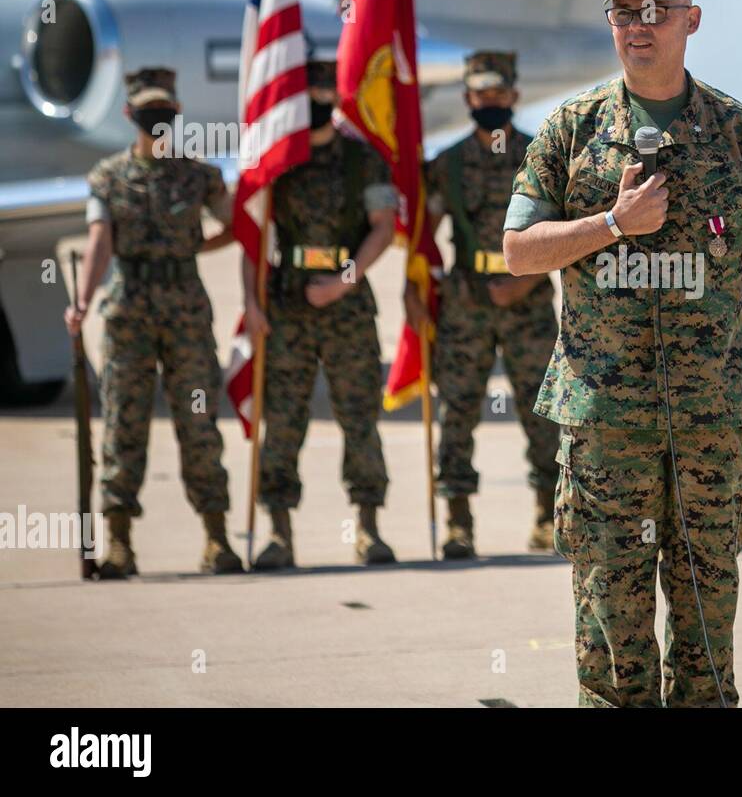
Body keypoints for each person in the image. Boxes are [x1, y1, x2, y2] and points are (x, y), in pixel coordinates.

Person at [503, 0, 742, 706]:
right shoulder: (572, 131)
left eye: (656, 11)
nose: (638, 26)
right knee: (613, 628)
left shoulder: (739, 135)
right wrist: (611, 223)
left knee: (707, 625)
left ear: (692, 20)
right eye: (623, 12)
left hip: (709, 418)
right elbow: (518, 252)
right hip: (606, 425)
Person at [65, 66, 242, 577]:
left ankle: (216, 538)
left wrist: (193, 247)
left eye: (165, 110)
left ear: (178, 113)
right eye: (148, 111)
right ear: (129, 114)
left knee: (199, 422)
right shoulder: (108, 177)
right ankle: (119, 541)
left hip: (186, 308)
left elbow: (235, 224)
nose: (157, 118)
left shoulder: (199, 174)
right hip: (129, 310)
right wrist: (81, 302)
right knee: (124, 422)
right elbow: (99, 244)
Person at [242, 59, 398, 569]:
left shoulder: (361, 160)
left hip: (347, 304)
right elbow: (252, 234)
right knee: (283, 419)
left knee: (359, 416)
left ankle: (368, 527)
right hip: (287, 304)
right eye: (307, 91)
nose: (316, 100)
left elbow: (381, 227)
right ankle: (279, 532)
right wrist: (251, 301)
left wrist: (343, 282)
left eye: (324, 91)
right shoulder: (276, 159)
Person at [404, 51, 559, 559]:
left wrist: (528, 279)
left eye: (498, 94)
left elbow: (567, 231)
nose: (489, 102)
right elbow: (422, 236)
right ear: (467, 98)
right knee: (458, 410)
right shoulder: (446, 165)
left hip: (528, 300)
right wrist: (415, 289)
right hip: (466, 302)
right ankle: (458, 521)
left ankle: (546, 514)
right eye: (480, 94)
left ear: (514, 96)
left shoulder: (543, 155)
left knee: (542, 411)